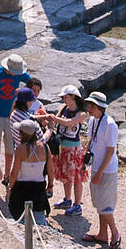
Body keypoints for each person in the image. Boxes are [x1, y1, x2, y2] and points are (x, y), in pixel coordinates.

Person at [81, 92, 121, 249]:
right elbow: (92, 141)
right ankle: (103, 234)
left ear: (99, 107)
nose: (88, 108)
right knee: (99, 202)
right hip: (97, 166)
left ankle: (115, 233)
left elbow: (111, 151)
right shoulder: (93, 120)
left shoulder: (110, 124)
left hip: (107, 169)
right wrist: (85, 161)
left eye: (91, 105)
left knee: (105, 204)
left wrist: (99, 173)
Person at [45, 85, 89, 215]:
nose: (63, 99)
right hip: (62, 146)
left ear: (73, 96)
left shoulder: (81, 114)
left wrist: (53, 118)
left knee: (76, 178)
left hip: (73, 149)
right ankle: (67, 199)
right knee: (66, 176)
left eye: (65, 97)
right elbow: (57, 122)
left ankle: (77, 204)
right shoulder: (63, 108)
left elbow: (69, 122)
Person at [6, 119, 51, 221]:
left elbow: (14, 172)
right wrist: (50, 185)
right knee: (38, 215)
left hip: (22, 187)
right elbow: (50, 170)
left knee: (20, 216)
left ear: (22, 134)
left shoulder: (20, 149)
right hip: (39, 187)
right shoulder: (45, 147)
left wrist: (10, 188)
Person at [7, 86, 44, 175]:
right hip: (32, 155)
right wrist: (50, 129)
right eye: (31, 101)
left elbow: (29, 116)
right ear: (27, 102)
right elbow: (43, 140)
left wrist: (43, 117)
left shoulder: (13, 115)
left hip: (19, 150)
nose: (32, 103)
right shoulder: (31, 122)